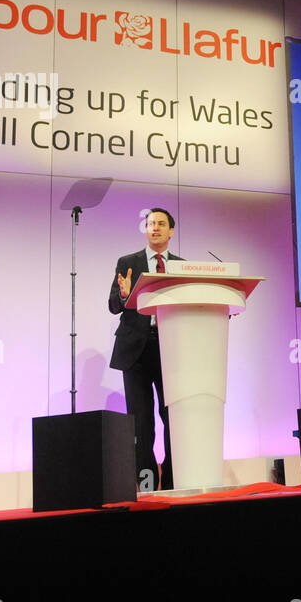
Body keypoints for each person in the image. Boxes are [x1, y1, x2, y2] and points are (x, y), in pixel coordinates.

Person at [109, 207, 183, 491]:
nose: (155, 228)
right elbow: (114, 305)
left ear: (171, 231)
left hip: (172, 348)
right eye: (151, 223)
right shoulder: (128, 262)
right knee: (141, 423)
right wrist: (125, 294)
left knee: (173, 419)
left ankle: (175, 483)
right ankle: (147, 484)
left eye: (161, 224)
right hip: (135, 351)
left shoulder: (180, 265)